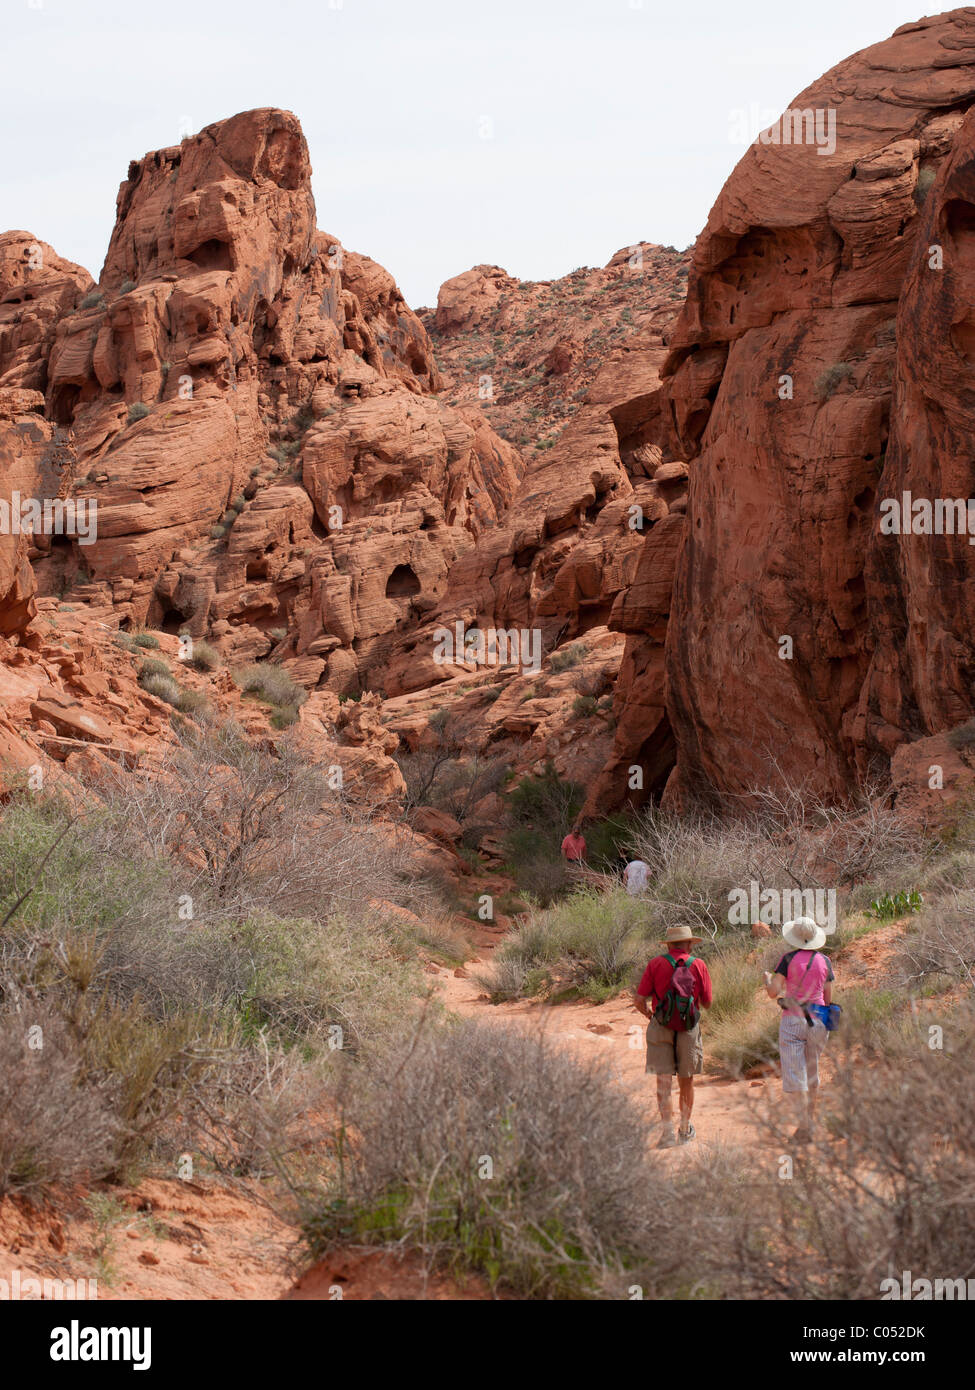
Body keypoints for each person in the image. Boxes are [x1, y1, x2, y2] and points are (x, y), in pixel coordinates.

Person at [634, 924, 712, 1147]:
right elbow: (707, 1002)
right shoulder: (698, 964)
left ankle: (667, 1133)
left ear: (668, 944)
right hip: (688, 1028)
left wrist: (651, 1016)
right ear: (688, 944)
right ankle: (685, 1130)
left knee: (663, 1081)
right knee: (686, 1081)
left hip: (660, 1026)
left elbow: (639, 1000)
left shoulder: (656, 964)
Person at [764, 916, 835, 1144]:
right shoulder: (825, 961)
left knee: (796, 1077)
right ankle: (810, 1123)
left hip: (793, 1021)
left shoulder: (787, 959)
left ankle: (804, 1128)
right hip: (818, 1021)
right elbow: (828, 997)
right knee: (812, 1074)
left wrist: (767, 980)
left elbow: (773, 992)